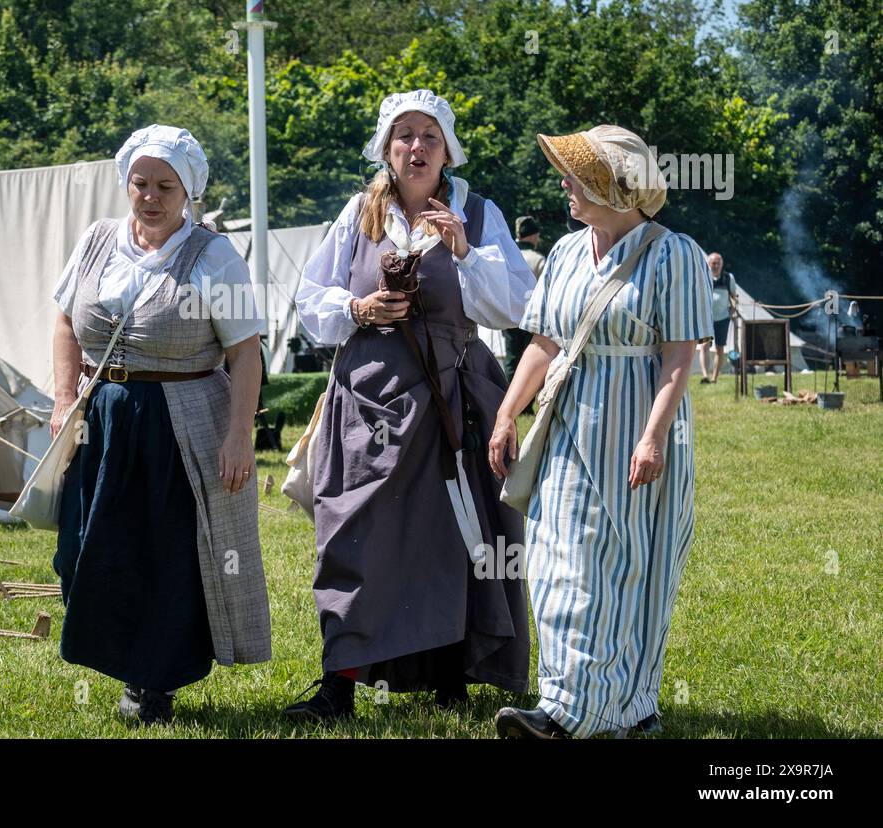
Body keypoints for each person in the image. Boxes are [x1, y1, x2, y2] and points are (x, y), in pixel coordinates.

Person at [285, 89, 535, 721]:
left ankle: (451, 674)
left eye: (429, 135)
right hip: (370, 400)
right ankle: (339, 681)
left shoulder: (478, 214)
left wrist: (463, 254)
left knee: (456, 538)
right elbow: (310, 298)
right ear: (386, 148)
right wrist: (359, 309)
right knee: (351, 534)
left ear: (447, 149)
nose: (416, 146)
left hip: (456, 397)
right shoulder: (359, 215)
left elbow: (518, 307)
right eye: (404, 135)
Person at [488, 125, 711, 739]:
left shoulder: (675, 254)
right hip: (566, 430)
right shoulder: (563, 252)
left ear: (616, 185)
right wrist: (508, 413)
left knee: (633, 567)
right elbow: (543, 342)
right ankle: (567, 706)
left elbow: (677, 355)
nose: (564, 184)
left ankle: (628, 705)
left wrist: (654, 437)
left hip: (635, 430)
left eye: (576, 175)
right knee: (563, 563)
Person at [49, 124, 272, 725]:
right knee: (85, 543)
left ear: (188, 192)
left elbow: (246, 352)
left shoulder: (213, 256)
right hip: (104, 417)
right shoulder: (98, 241)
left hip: (181, 420)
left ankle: (153, 682)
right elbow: (68, 323)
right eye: (141, 183)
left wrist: (237, 435)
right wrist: (63, 399)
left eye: (164, 187)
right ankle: (123, 658)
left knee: (167, 553)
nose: (149, 196)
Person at [503, 215, 546, 385]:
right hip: (532, 316)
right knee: (530, 357)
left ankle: (508, 395)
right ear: (534, 236)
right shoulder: (538, 259)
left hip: (509, 314)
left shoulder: (507, 257)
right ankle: (526, 402)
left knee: (512, 357)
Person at [698, 252, 737, 383]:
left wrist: (733, 309)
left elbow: (733, 296)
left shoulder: (728, 278)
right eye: (714, 263)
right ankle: (705, 375)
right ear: (708, 264)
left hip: (722, 318)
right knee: (704, 346)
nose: (716, 265)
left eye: (718, 263)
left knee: (720, 348)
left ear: (722, 264)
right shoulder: (703, 277)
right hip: (705, 318)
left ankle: (714, 377)